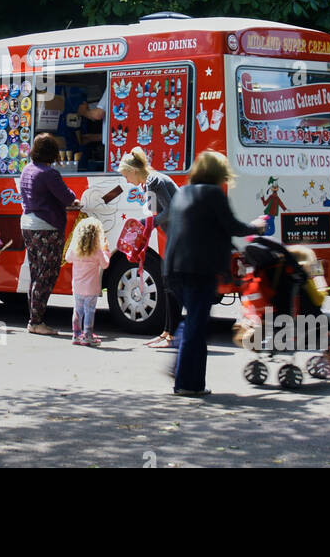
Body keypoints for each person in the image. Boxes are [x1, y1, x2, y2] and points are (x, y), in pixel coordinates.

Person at [164, 150, 266, 397]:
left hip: (173, 268)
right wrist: (256, 227)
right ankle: (189, 384)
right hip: (198, 269)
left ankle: (179, 368)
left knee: (193, 322)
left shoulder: (183, 192)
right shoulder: (213, 194)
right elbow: (230, 225)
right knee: (197, 329)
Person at [117, 146, 182, 348]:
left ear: (134, 171)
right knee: (167, 282)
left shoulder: (154, 181)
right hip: (177, 235)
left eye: (126, 176)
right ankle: (166, 332)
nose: (126, 181)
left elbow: (171, 210)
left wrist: (149, 223)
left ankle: (171, 335)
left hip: (182, 235)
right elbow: (156, 213)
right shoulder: (150, 182)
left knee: (171, 285)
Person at [20, 131, 79, 335]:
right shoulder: (48, 173)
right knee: (47, 275)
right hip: (46, 226)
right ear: (53, 152)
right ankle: (36, 322)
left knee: (36, 273)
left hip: (28, 224)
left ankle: (34, 318)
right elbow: (67, 197)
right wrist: (75, 200)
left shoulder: (27, 169)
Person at [67, 215, 109, 346]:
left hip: (77, 286)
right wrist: (106, 250)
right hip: (91, 288)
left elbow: (68, 258)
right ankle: (88, 334)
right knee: (89, 310)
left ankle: (76, 334)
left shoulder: (75, 250)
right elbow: (105, 264)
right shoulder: (97, 252)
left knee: (78, 309)